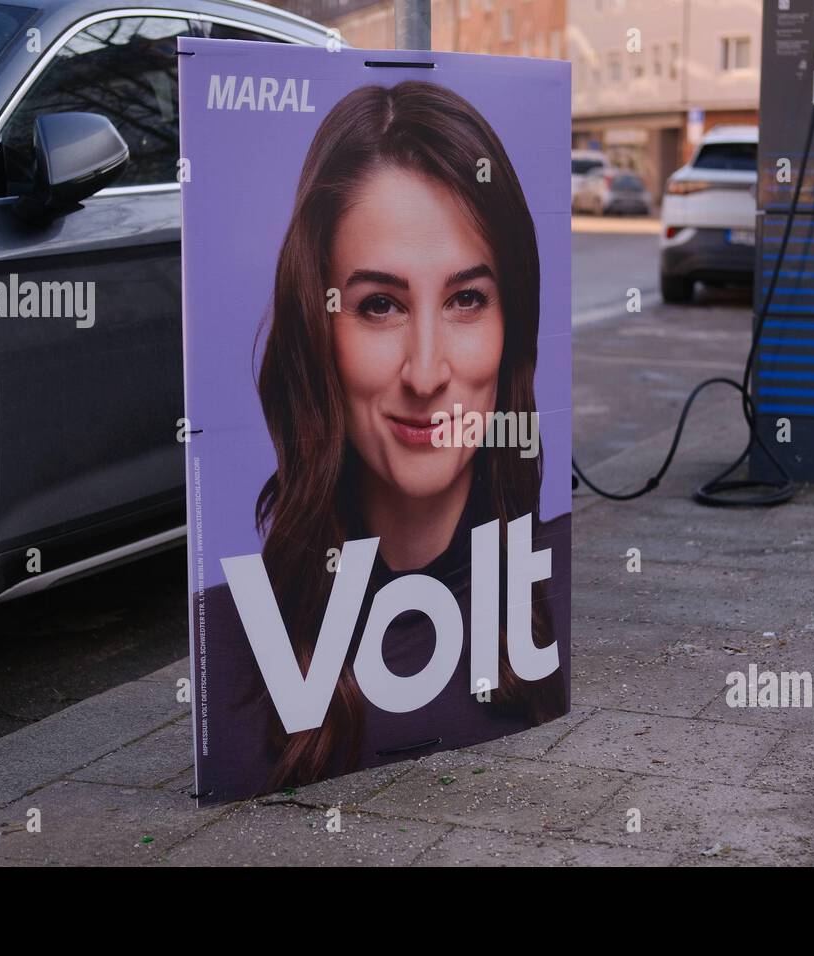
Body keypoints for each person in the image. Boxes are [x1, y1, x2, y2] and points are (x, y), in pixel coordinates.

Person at [197, 80, 569, 800]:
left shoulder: (552, 582)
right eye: (379, 305)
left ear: (511, 328)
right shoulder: (230, 649)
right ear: (317, 329)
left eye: (467, 299)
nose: (426, 372)